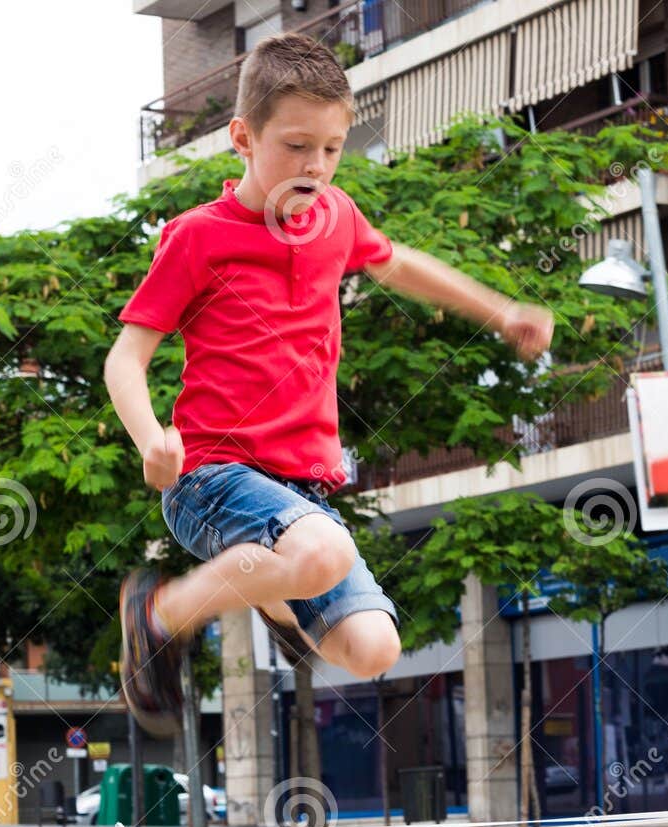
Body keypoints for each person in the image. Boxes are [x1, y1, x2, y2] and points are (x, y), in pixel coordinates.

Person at [106, 32, 553, 736]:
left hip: (300, 493)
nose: (315, 167)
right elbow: (124, 359)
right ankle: (158, 612)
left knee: (374, 648)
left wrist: (500, 311)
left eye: (332, 148)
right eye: (295, 146)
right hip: (209, 476)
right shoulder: (198, 237)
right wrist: (150, 437)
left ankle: (272, 591)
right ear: (243, 138)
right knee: (323, 552)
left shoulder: (335, 218)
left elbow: (399, 264)